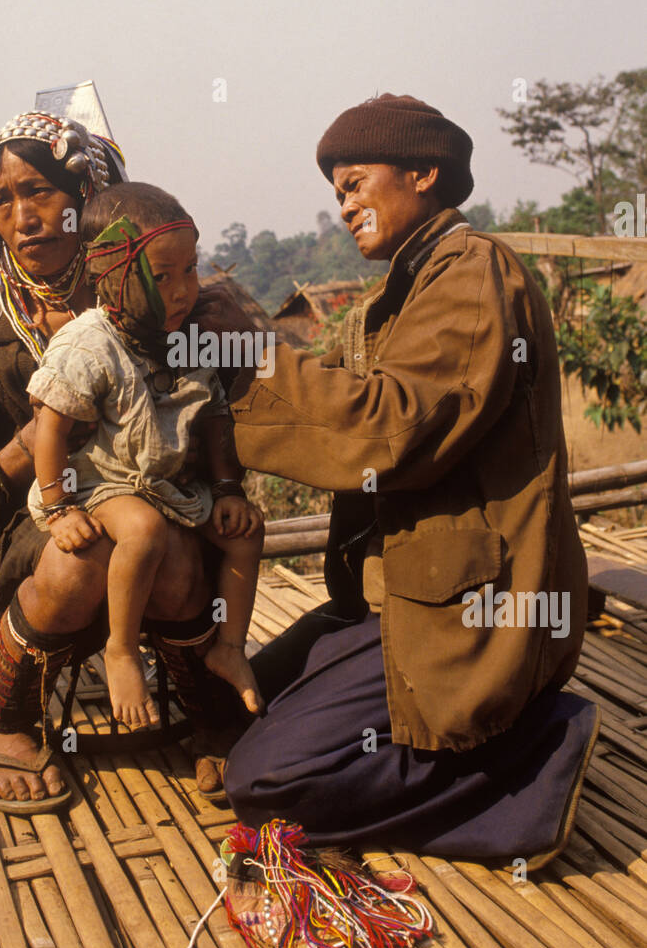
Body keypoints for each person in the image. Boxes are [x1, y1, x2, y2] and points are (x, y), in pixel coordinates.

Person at [218, 92, 599, 868]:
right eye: (335, 193)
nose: (343, 204)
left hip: (472, 607)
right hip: (398, 592)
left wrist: (244, 355)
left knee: (267, 782)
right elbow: (342, 394)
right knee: (230, 704)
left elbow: (384, 428)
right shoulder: (407, 289)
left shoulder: (470, 271)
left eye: (356, 182)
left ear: (423, 173)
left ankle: (528, 763)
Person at [0, 112, 244, 812]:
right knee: (84, 554)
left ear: (87, 200)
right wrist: (37, 435)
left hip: (164, 513)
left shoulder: (170, 301)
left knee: (168, 551)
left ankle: (211, 713)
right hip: (48, 532)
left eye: (39, 190)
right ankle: (5, 719)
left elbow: (230, 409)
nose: (24, 217)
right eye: (2, 200)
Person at [27, 181, 265, 729]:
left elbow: (214, 416)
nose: (183, 289)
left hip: (169, 486)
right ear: (113, 278)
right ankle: (122, 650)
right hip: (101, 483)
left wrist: (229, 491)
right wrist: (61, 508)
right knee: (142, 529)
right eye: (162, 276)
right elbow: (51, 429)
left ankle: (229, 646)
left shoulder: (188, 337)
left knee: (246, 533)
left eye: (191, 269)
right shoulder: (89, 342)